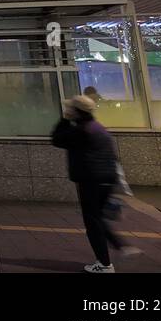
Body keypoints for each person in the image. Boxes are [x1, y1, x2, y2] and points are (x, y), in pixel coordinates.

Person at [52, 94, 134, 272]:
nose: (68, 111)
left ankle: (104, 264)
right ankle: (120, 245)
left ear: (76, 112)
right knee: (97, 218)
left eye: (70, 109)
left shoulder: (81, 130)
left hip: (90, 180)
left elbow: (56, 139)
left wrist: (64, 119)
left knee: (92, 222)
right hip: (107, 178)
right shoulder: (98, 127)